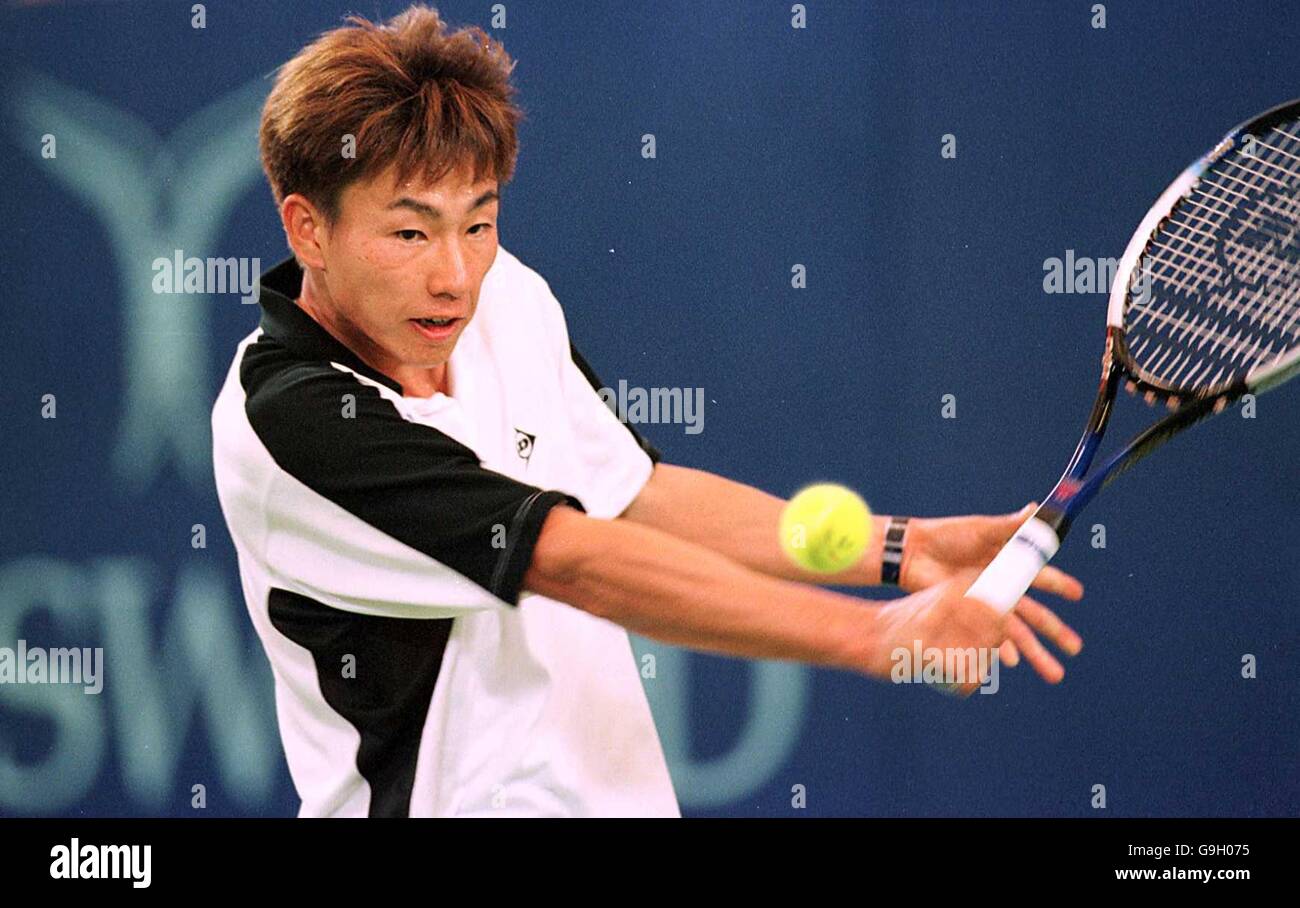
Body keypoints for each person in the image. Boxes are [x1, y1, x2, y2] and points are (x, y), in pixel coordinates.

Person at [211, 4, 1082, 818]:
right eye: (410, 233)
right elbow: (575, 559)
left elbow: (631, 495)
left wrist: (905, 549)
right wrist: (879, 638)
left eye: (478, 223)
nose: (455, 276)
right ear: (307, 229)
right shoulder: (291, 421)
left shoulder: (503, 298)